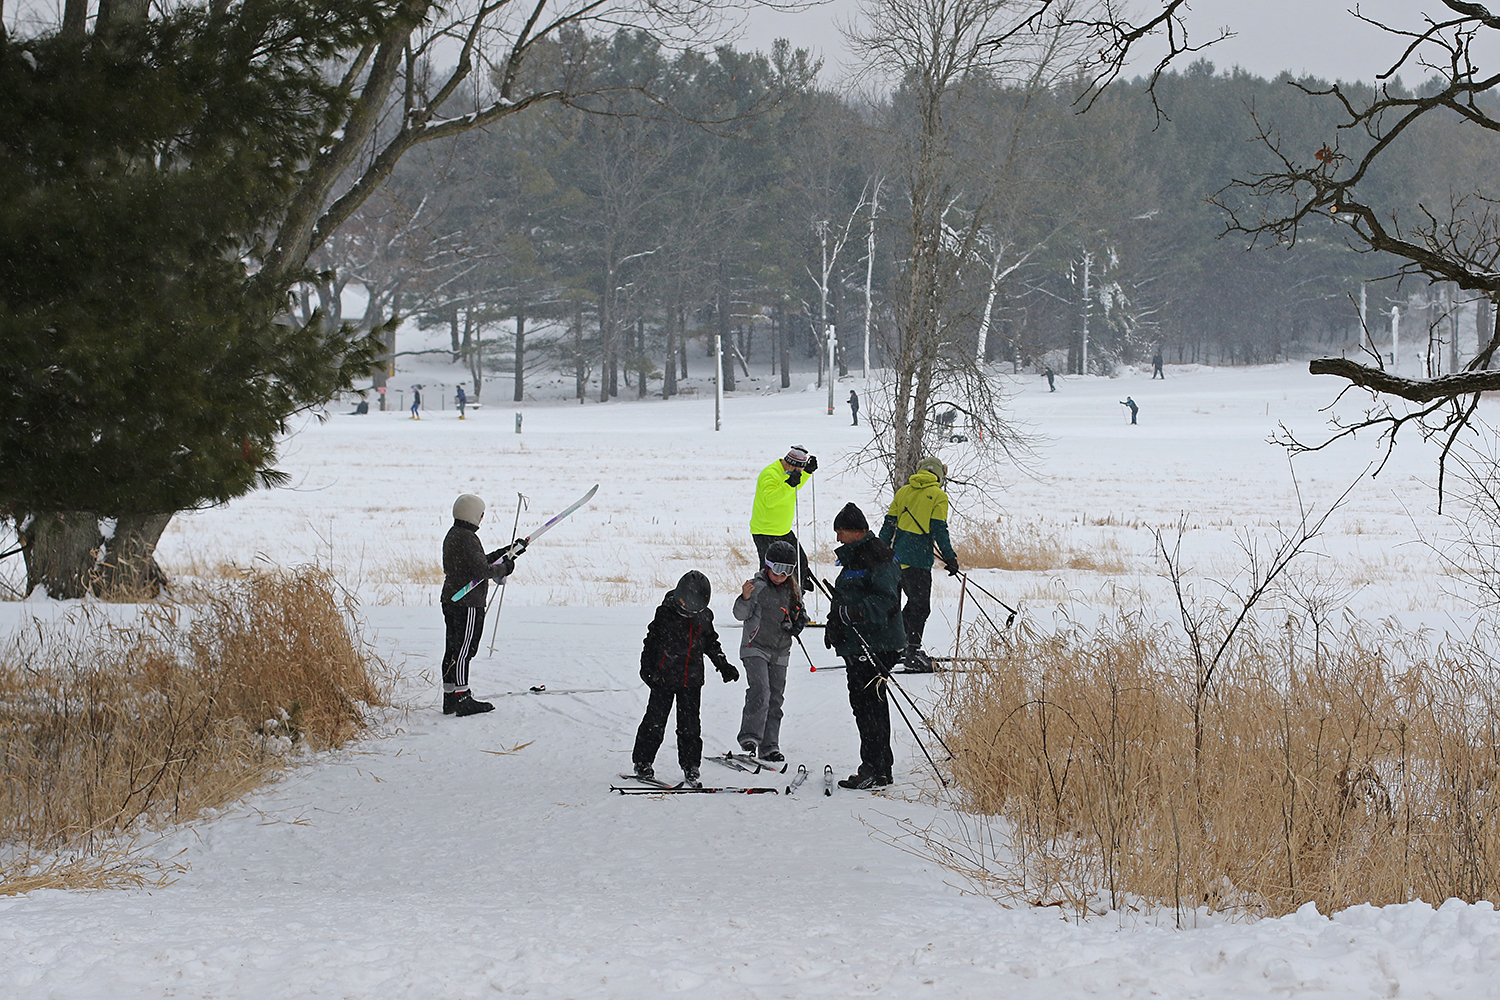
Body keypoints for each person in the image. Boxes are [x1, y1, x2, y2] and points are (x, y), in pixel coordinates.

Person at [825, 503, 905, 789]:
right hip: (859, 643)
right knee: (867, 704)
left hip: (877, 643)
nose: (838, 539)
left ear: (857, 531)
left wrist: (853, 613)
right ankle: (879, 767)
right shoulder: (857, 556)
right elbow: (847, 596)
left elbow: (886, 601)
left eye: (841, 532)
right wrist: (834, 622)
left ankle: (875, 768)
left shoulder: (878, 556)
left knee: (869, 706)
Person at [634, 570, 739, 787]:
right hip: (663, 678)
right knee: (654, 722)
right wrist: (647, 669)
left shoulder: (704, 616)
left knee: (690, 726)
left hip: (691, 681)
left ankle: (691, 765)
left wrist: (723, 665)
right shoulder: (665, 613)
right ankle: (643, 761)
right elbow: (651, 643)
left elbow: (710, 642)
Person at [879, 456, 960, 672]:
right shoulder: (939, 496)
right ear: (940, 475)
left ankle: (901, 648)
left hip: (896, 560)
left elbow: (888, 525)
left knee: (903, 606)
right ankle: (911, 653)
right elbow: (939, 529)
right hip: (918, 561)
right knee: (920, 607)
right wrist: (950, 557)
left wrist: (878, 552)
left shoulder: (903, 492)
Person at [440, 494, 516, 717]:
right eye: (481, 514)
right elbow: (482, 571)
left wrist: (506, 552)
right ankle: (463, 698)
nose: (482, 518)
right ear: (474, 514)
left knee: (453, 649)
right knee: (465, 650)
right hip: (468, 603)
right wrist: (505, 569)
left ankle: (450, 697)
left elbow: (478, 562)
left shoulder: (455, 535)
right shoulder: (467, 538)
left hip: (451, 600)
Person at [733, 539, 809, 762]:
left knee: (775, 699)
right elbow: (740, 614)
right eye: (777, 570)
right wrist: (745, 597)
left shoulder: (793, 590)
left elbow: (801, 617)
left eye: (788, 571)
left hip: (780, 651)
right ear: (768, 566)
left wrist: (796, 623)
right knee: (761, 690)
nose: (781, 576)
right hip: (755, 647)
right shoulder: (757, 587)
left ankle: (770, 746)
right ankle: (750, 736)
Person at [750, 445, 818, 591]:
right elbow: (769, 500)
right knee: (770, 570)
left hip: (783, 530)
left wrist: (806, 473)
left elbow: (793, 487)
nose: (797, 474)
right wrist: (789, 484)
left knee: (800, 562)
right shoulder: (770, 474)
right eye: (797, 471)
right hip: (765, 531)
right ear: (790, 463)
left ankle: (797, 592)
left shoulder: (788, 473)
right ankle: (767, 596)